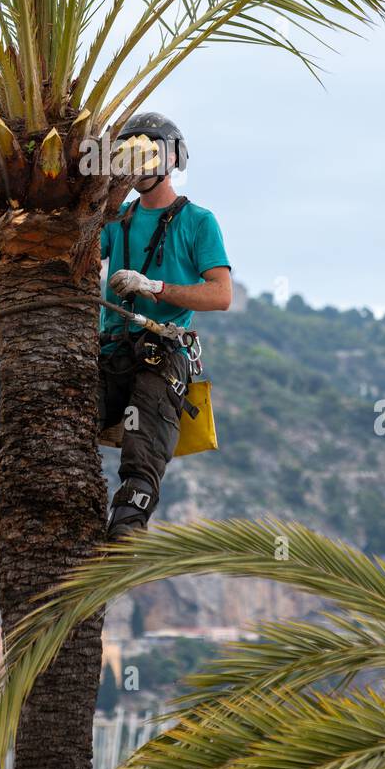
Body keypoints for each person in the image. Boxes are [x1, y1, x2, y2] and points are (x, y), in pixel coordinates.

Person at [100, 111, 232, 539]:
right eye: (129, 157)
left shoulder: (197, 222)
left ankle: (121, 539)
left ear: (170, 161)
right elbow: (76, 254)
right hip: (111, 351)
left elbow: (220, 294)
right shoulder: (116, 219)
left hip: (162, 355)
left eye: (146, 155)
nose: (138, 167)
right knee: (54, 427)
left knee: (142, 463)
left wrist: (155, 288)